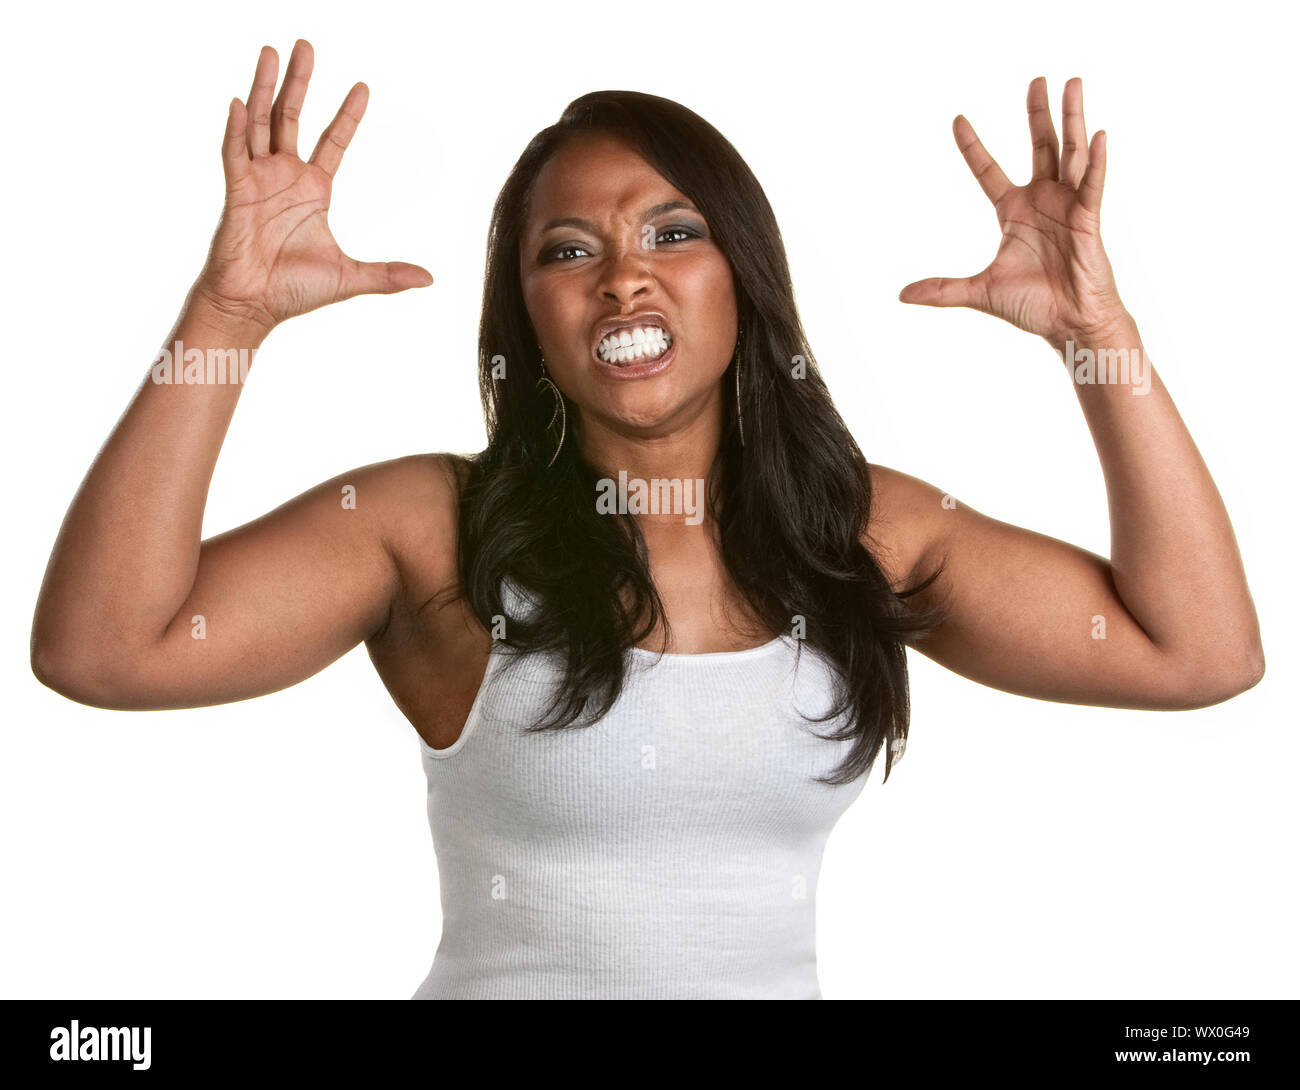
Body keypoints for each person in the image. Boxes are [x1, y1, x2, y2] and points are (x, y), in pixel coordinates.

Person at [30, 39, 1264, 1000]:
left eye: (672, 233)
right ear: (526, 316)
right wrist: (227, 317)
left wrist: (1100, 342)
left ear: (744, 275)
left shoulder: (858, 530)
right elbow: (103, 649)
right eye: (568, 252)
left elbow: (1196, 650)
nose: (623, 274)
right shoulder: (427, 528)